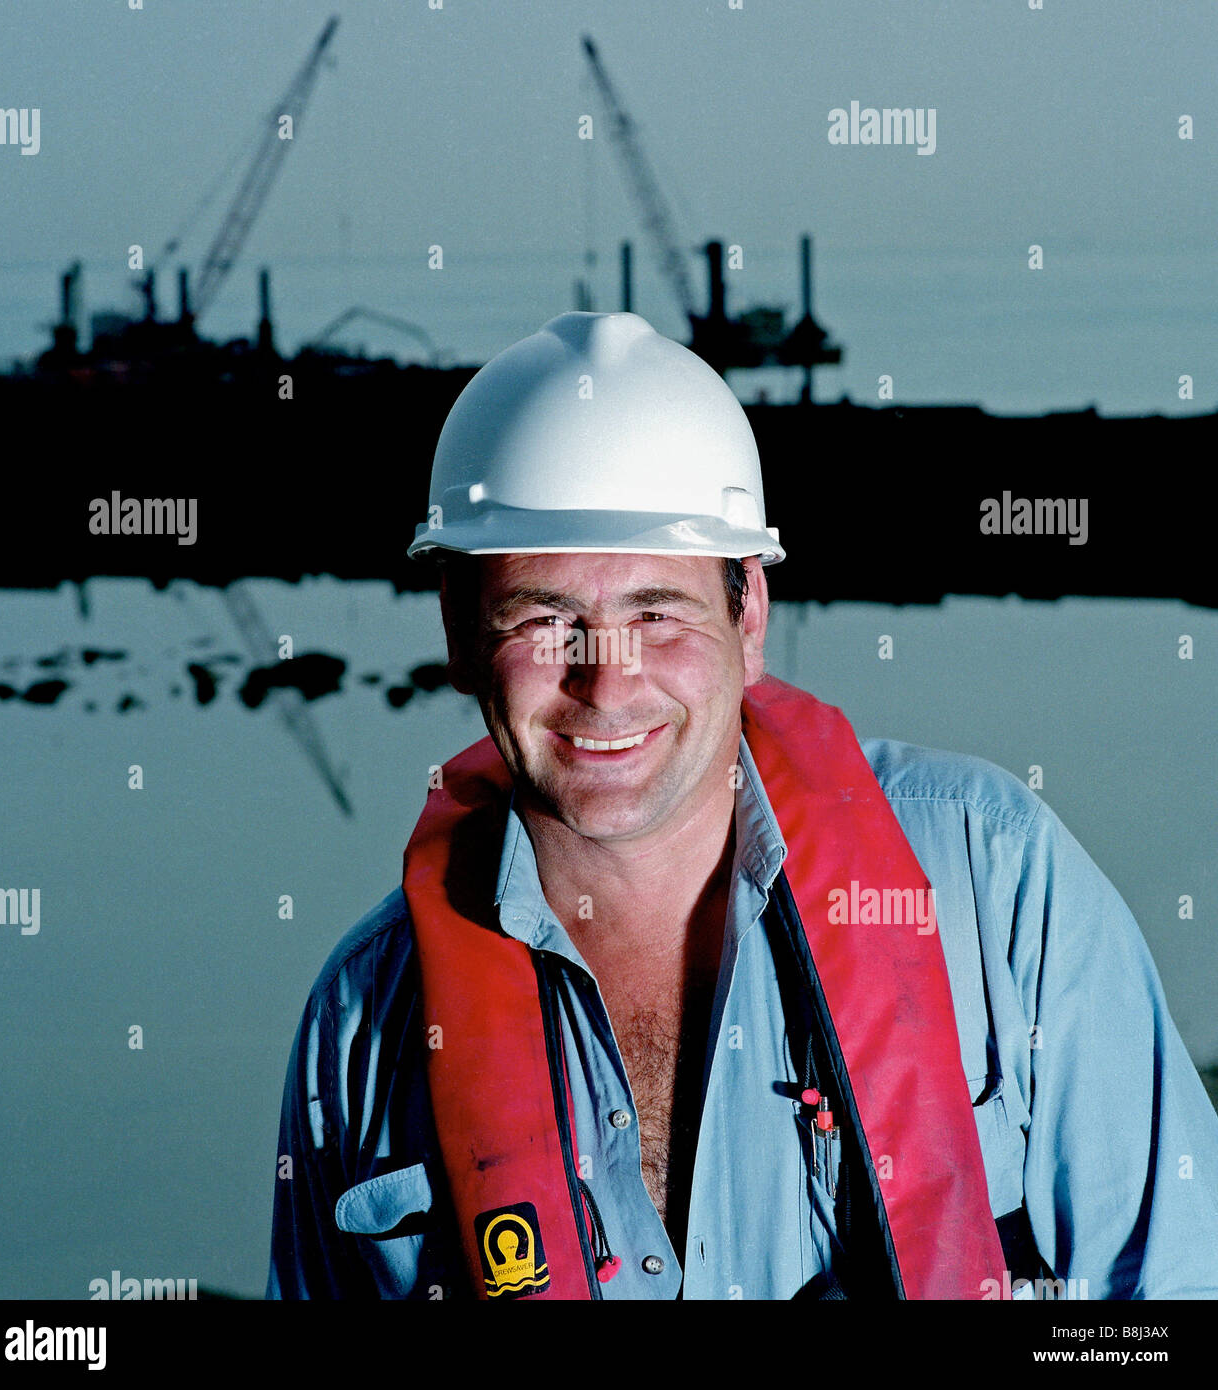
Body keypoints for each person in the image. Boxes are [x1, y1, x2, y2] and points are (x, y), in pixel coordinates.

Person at [267, 311, 1218, 1300]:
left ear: (748, 615)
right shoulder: (365, 1020)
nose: (607, 682)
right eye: (545, 617)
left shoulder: (994, 882)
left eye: (657, 612)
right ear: (461, 633)